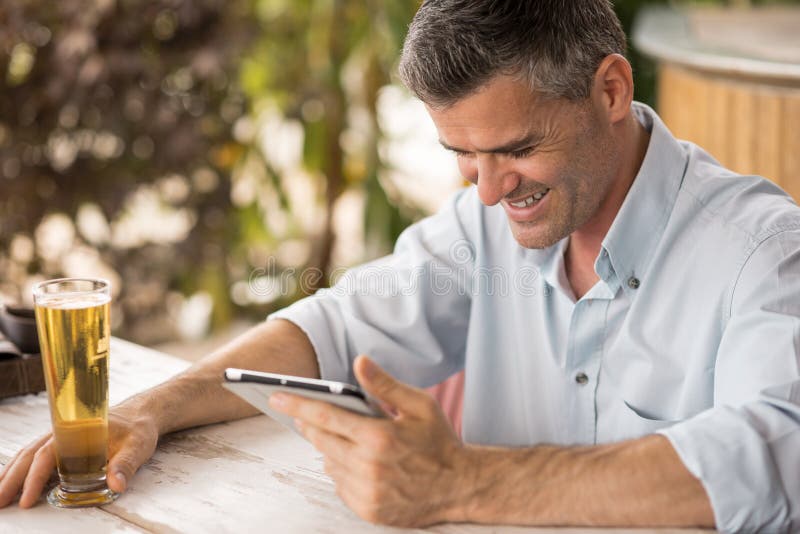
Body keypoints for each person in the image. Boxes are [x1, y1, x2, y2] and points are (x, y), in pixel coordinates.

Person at [2, 1, 799, 530]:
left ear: (612, 89)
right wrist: (151, 409)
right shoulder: (487, 222)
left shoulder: (762, 253)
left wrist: (465, 483)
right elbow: (336, 327)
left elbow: (775, 458)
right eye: (462, 154)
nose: (487, 191)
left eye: (518, 149)